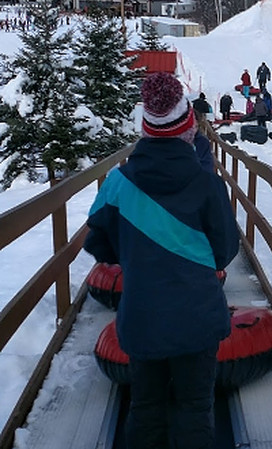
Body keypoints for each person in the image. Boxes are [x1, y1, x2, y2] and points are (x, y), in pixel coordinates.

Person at [83, 72, 240, 449]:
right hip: (198, 319)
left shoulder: (118, 183)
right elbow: (225, 251)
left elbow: (98, 243)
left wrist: (137, 253)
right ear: (188, 128)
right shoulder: (208, 185)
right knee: (195, 408)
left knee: (146, 406)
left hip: (142, 317)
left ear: (147, 130)